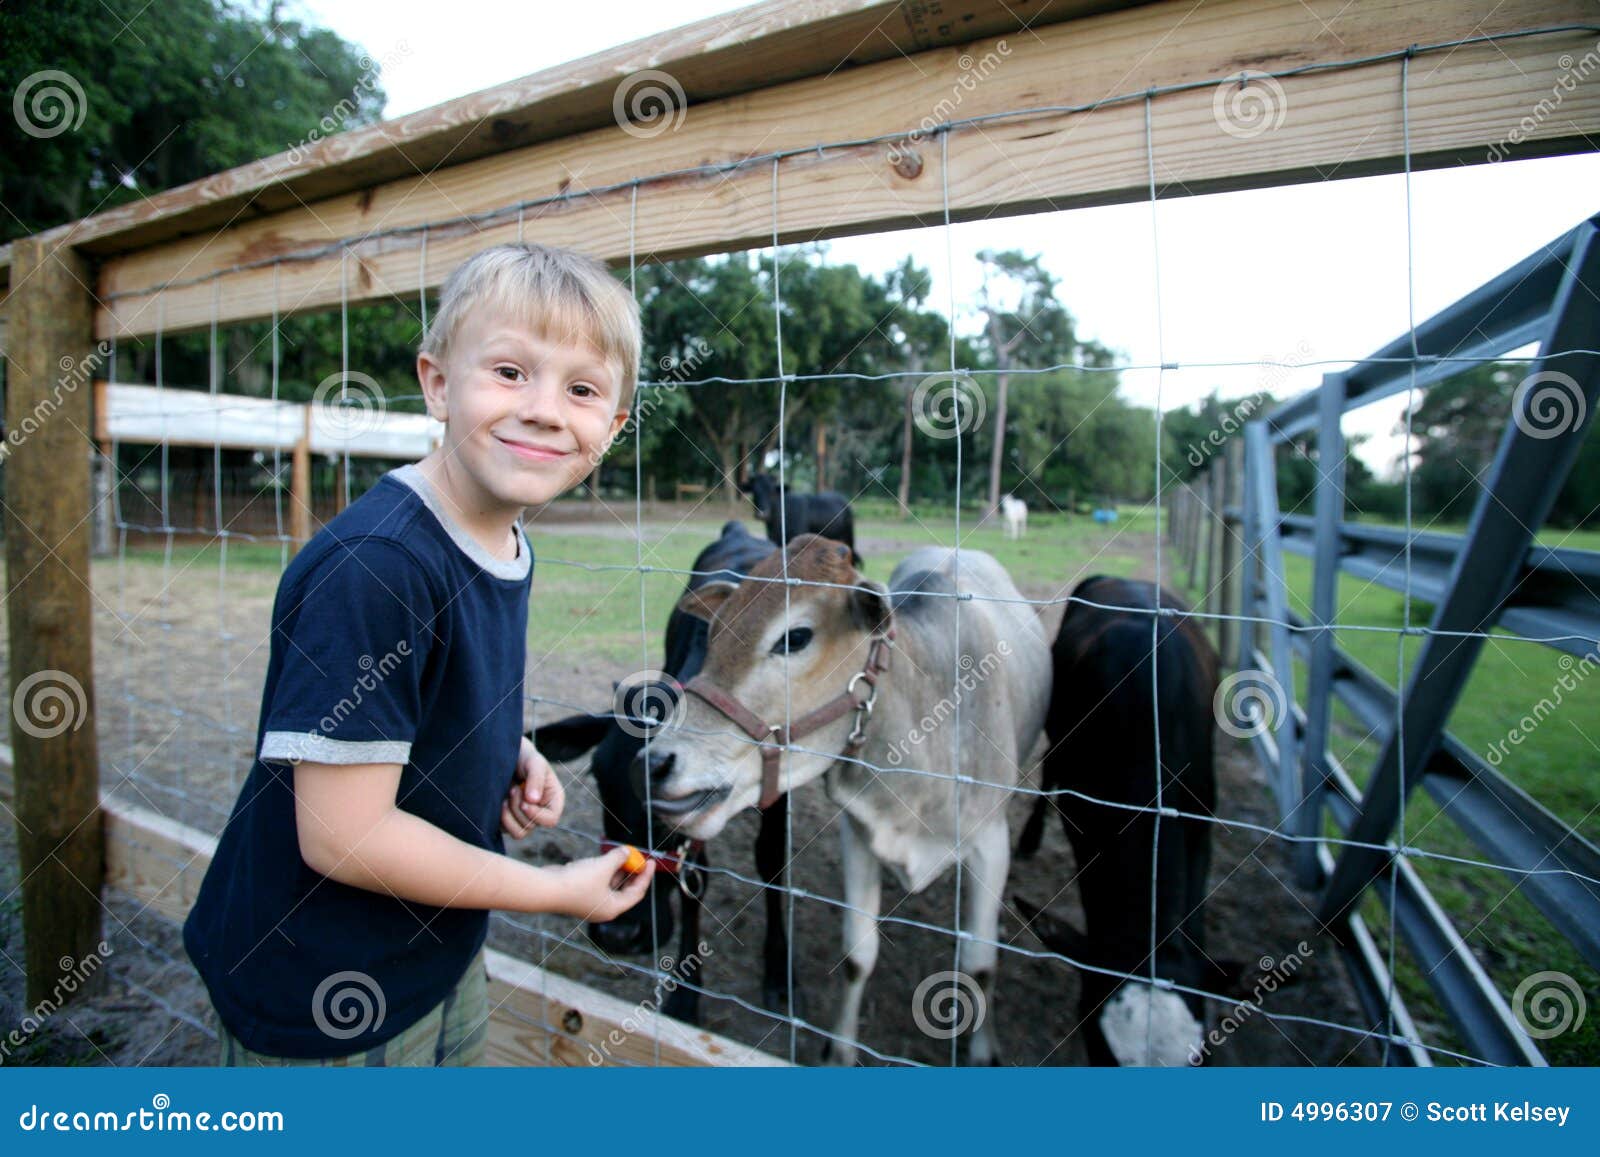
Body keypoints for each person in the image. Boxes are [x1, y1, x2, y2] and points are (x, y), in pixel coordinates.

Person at [183, 243, 655, 1066]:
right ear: (437, 382)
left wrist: (502, 746)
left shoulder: (501, 538)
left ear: (611, 428)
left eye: (581, 389)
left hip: (433, 952)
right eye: (510, 372)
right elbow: (342, 835)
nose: (546, 409)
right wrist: (551, 890)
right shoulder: (381, 567)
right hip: (319, 983)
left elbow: (424, 690)